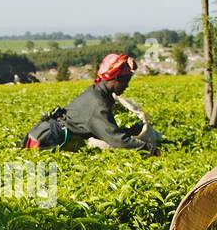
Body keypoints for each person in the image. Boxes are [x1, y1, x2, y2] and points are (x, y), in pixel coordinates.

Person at [24, 53, 158, 154]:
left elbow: (105, 131)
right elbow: (117, 140)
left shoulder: (96, 93)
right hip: (46, 141)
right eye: (125, 80)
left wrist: (130, 131)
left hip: (43, 135)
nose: (127, 85)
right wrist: (149, 148)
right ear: (114, 78)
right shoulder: (98, 105)